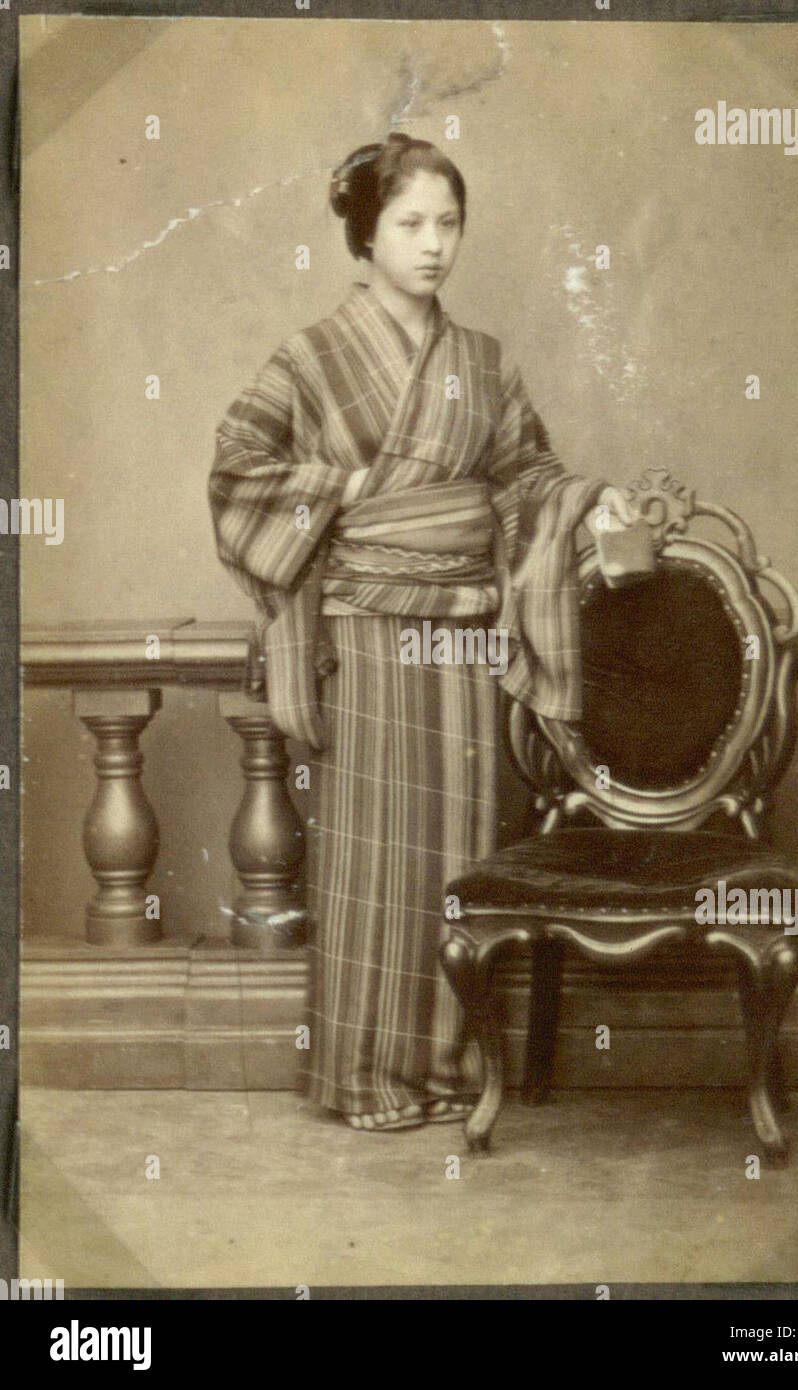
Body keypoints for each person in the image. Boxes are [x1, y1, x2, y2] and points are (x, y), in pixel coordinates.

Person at [208, 132, 651, 1132]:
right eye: (409, 223)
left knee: (457, 852)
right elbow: (237, 471)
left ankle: (453, 1068)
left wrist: (595, 501)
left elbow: (526, 476)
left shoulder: (484, 365)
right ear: (364, 234)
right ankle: (365, 1075)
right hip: (367, 634)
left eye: (448, 223)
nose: (432, 244)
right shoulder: (312, 359)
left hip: (465, 636)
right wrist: (354, 488)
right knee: (374, 857)